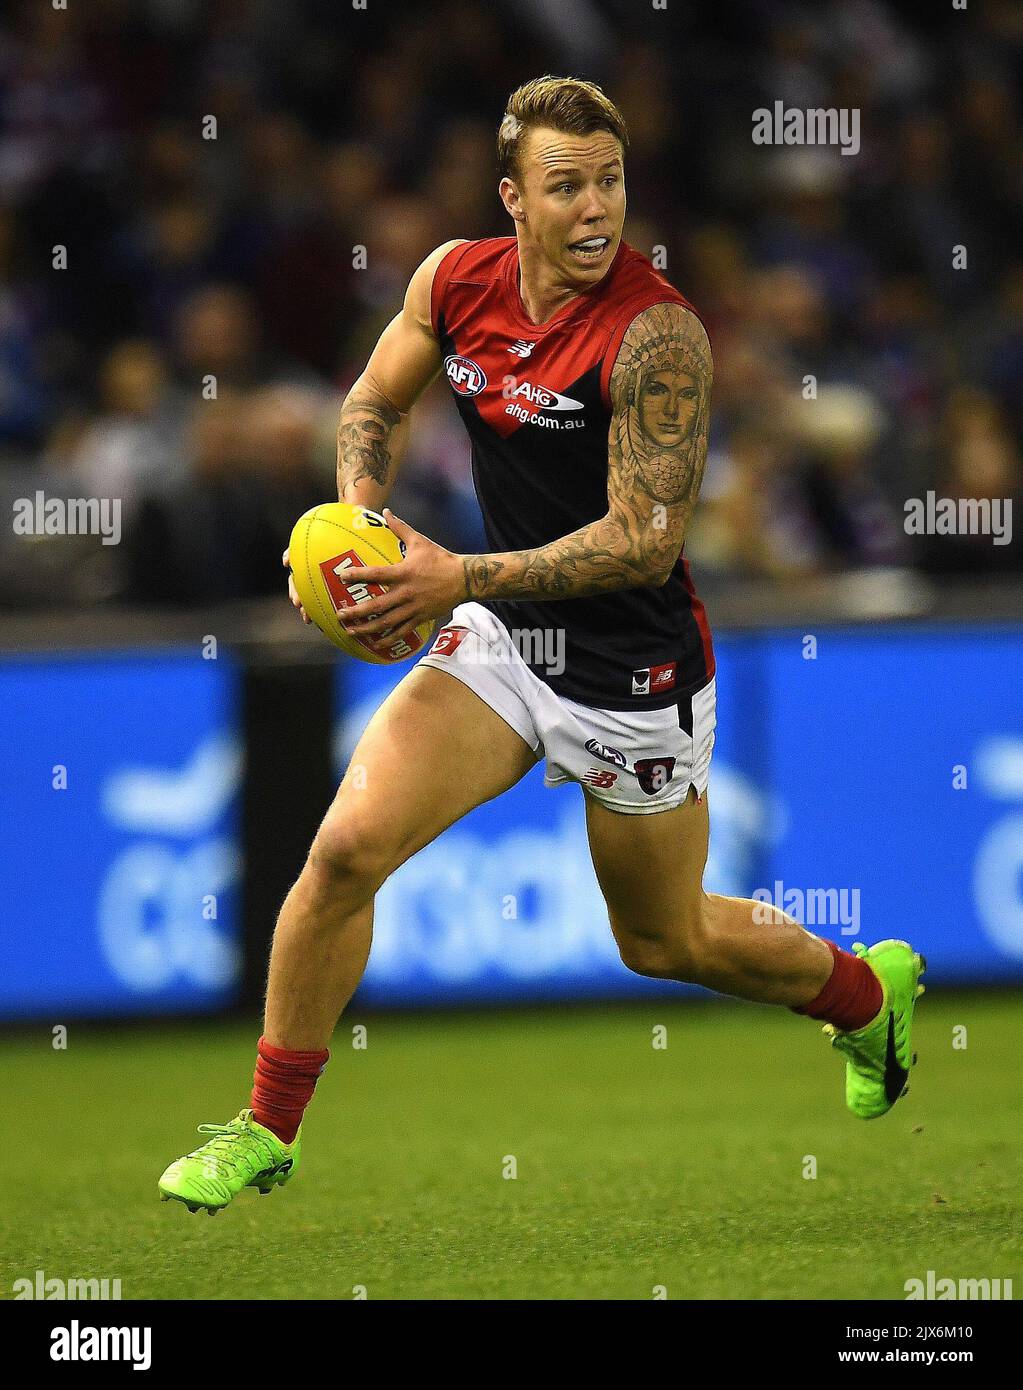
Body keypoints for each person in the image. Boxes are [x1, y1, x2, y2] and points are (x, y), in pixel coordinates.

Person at [159, 77, 924, 1215]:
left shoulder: (658, 335)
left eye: (610, 180)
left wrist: (447, 573)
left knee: (666, 943)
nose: (595, 207)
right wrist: (355, 527)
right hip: (507, 640)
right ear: (514, 197)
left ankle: (868, 996)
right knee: (344, 852)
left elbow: (644, 542)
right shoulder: (455, 280)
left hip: (634, 674)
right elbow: (372, 400)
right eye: (566, 185)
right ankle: (265, 1129)